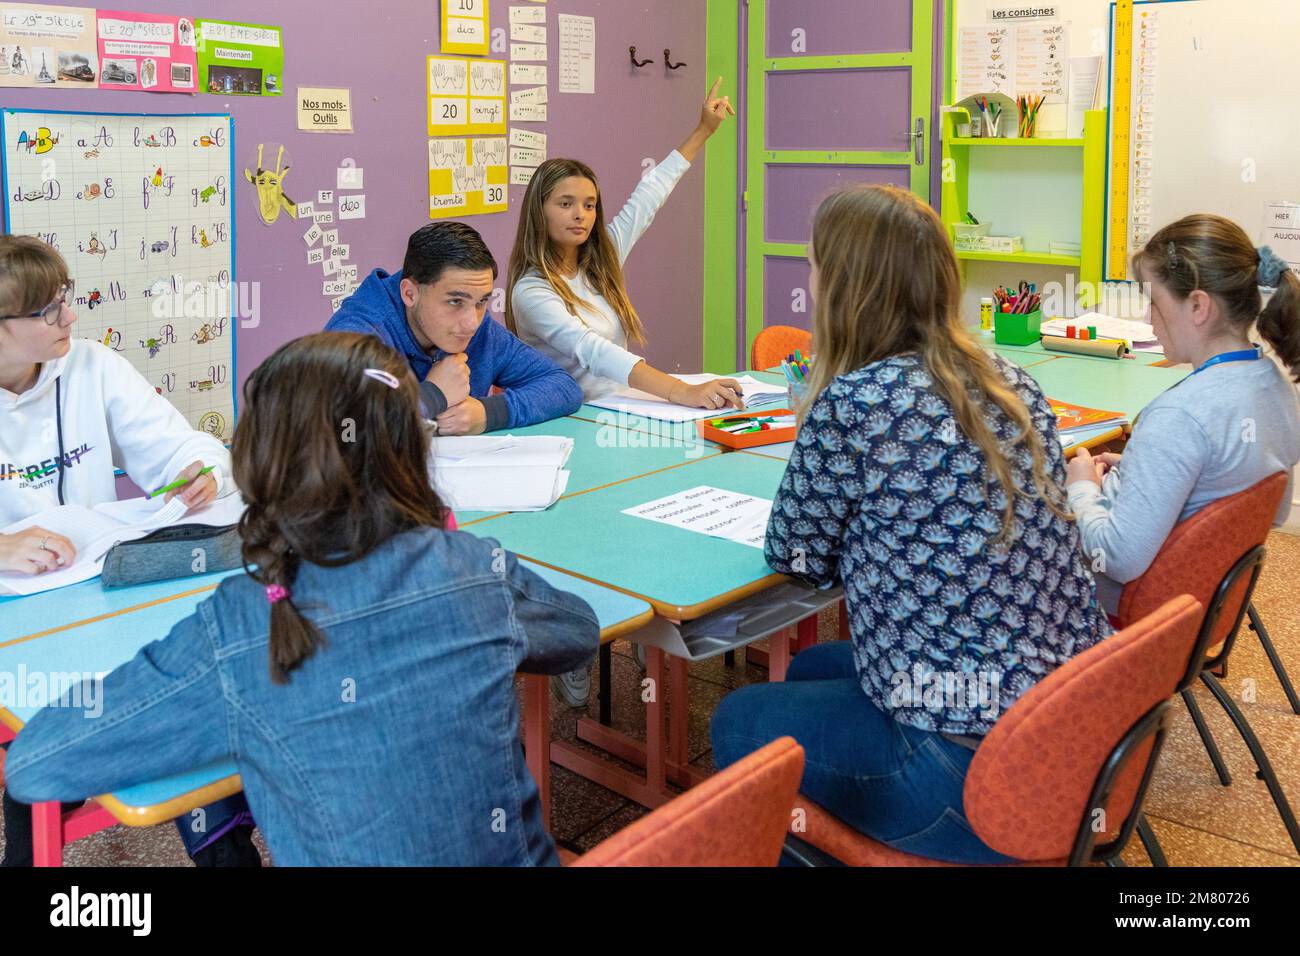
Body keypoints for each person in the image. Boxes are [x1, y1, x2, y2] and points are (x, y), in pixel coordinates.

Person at [4, 332, 600, 865]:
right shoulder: (473, 567)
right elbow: (576, 631)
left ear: (262, 464)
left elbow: (37, 763)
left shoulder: (243, 623)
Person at [709, 185, 1112, 864]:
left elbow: (796, 557)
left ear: (845, 288)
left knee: (735, 722)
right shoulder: (1011, 381)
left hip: (962, 774)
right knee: (809, 668)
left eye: (813, 266)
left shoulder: (854, 402)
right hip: (1068, 731)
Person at [0, 234, 254, 866]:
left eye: (66, 299)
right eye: (49, 311)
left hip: (97, 595)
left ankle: (224, 848)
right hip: (16, 623)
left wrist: (198, 469)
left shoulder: (90, 365)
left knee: (191, 693)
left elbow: (179, 448)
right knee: (49, 736)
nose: (70, 317)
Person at [1066, 214, 1300, 613]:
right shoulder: (1275, 387)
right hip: (1203, 603)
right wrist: (1145, 470)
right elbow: (1270, 509)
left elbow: (1118, 558)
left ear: (1197, 306)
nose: (1147, 318)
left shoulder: (1178, 416)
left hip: (1136, 603)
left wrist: (1083, 488)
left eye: (1153, 303)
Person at [505, 77, 742, 410]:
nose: (580, 215)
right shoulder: (531, 291)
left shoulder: (601, 259)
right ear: (538, 211)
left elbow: (648, 197)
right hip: (575, 417)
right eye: (565, 204)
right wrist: (682, 391)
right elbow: (592, 350)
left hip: (623, 408)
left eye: (589, 205)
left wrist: (703, 130)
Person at [326, 221, 582, 435]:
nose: (472, 322)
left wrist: (487, 414)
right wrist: (432, 395)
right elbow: (347, 429)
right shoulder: (358, 333)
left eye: (482, 302)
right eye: (454, 302)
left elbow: (562, 386)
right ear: (409, 293)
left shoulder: (478, 327)